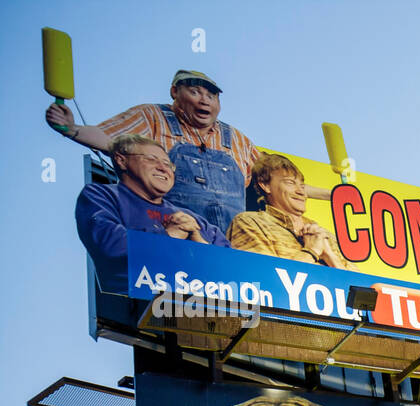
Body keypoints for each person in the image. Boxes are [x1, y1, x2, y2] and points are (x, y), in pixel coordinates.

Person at [48, 70, 259, 233]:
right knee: (173, 290)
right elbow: (111, 139)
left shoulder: (238, 140)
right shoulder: (152, 117)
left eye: (211, 96)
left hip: (231, 252)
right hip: (174, 238)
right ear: (175, 92)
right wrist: (72, 129)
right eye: (195, 92)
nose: (204, 100)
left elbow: (272, 178)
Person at [75, 134, 230, 294]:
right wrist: (168, 235)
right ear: (121, 161)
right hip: (136, 308)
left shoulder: (191, 218)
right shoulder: (101, 196)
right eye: (151, 159)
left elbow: (232, 266)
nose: (163, 168)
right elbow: (111, 245)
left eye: (168, 164)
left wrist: (197, 240)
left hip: (198, 308)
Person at [227, 153, 351, 269]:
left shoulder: (324, 235)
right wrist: (311, 251)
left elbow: (360, 287)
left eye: (302, 186)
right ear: (265, 185)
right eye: (290, 183)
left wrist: (330, 256)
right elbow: (263, 280)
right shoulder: (250, 223)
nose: (301, 192)